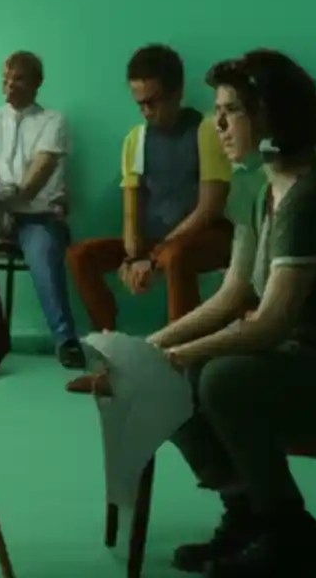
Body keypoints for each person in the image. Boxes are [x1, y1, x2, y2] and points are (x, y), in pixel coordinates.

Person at [141, 51, 316, 577]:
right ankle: (248, 516)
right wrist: (149, 349)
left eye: (233, 109)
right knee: (176, 376)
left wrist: (178, 354)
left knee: (222, 377)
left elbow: (270, 322)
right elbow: (231, 297)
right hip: (293, 363)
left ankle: (291, 533)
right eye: (217, 109)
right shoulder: (259, 189)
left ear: (272, 117)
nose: (219, 123)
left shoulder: (311, 198)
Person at [66, 44, 232, 393]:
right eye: (139, 103)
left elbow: (208, 208)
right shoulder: (135, 139)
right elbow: (132, 208)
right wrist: (133, 255)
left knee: (176, 256)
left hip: (207, 237)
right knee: (80, 255)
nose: (146, 111)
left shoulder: (206, 131)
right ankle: (110, 362)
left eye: (153, 102)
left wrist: (154, 258)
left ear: (177, 93)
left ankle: (176, 370)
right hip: (158, 244)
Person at [0, 51, 81, 368]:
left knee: (43, 253)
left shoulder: (53, 122)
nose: (9, 84)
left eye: (18, 78)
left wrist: (9, 201)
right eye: (5, 77)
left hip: (39, 216)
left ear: (37, 83)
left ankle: (66, 341)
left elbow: (38, 177)